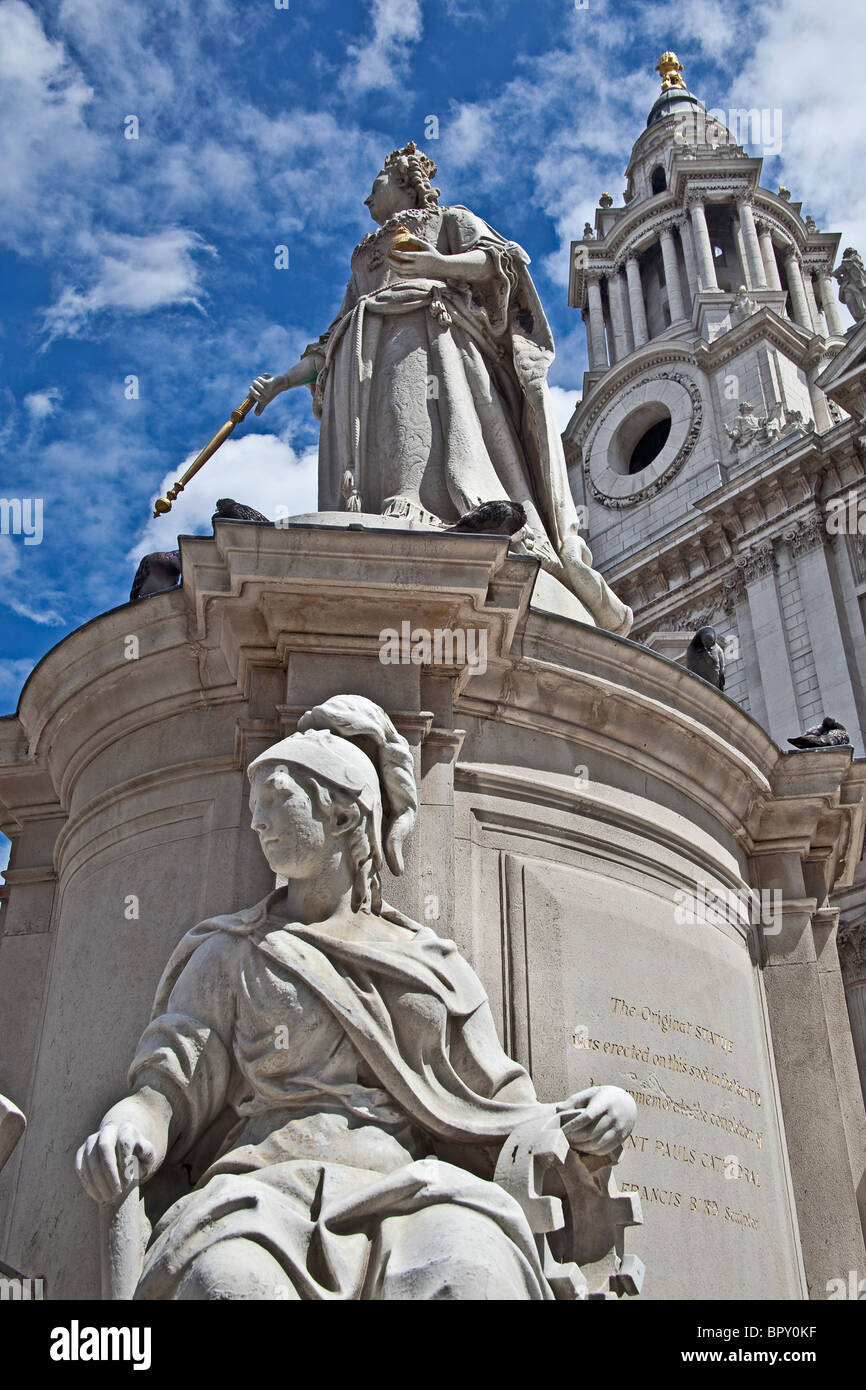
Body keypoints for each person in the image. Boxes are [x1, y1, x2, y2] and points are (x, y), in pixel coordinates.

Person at [77, 695, 636, 1300]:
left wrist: (599, 1115)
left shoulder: (429, 966)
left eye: (276, 801)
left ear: (346, 818)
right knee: (228, 1284)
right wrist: (126, 1125)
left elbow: (501, 1107)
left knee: (473, 1270)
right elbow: (165, 1094)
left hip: (414, 1190)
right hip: (259, 1192)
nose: (258, 822)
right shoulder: (230, 952)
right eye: (254, 806)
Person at [248, 142, 632, 636]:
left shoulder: (449, 219)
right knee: (383, 418)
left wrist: (437, 266)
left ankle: (422, 502)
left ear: (404, 182)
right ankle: (371, 512)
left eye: (375, 186)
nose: (368, 200)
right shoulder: (363, 256)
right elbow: (330, 337)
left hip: (428, 327)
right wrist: (280, 383)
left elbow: (501, 266)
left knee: (414, 405)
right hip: (362, 348)